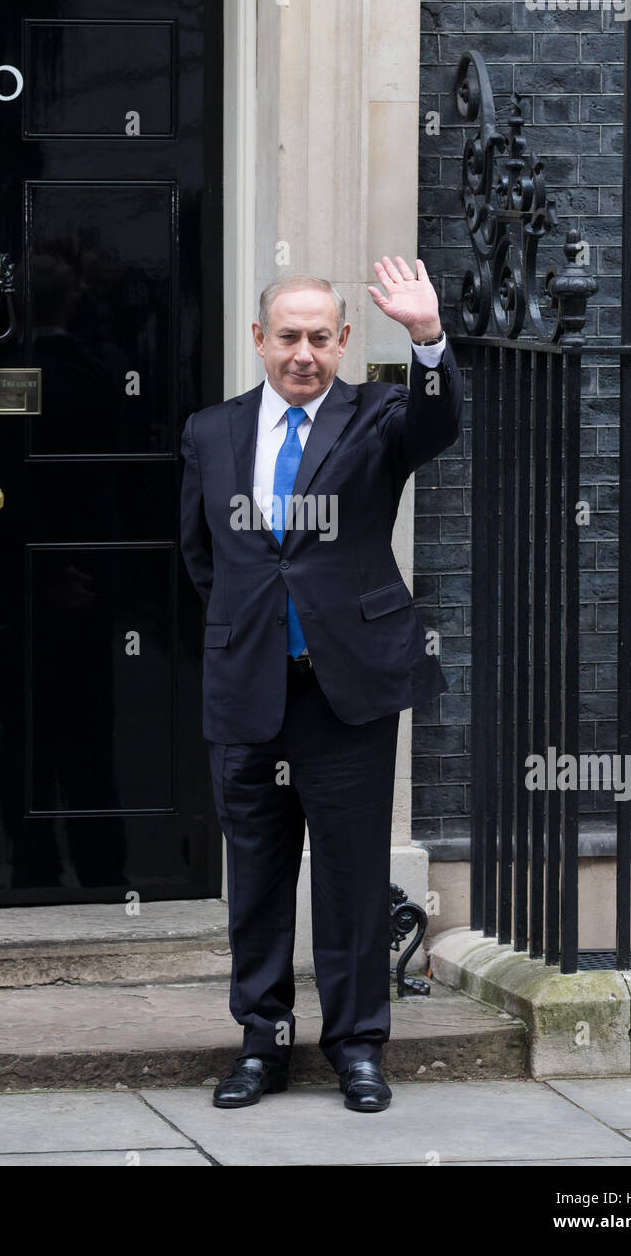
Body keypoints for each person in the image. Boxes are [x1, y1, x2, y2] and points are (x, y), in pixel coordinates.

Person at [179, 255, 463, 1111]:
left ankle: (356, 1047)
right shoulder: (211, 432)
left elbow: (438, 425)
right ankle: (261, 1045)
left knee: (347, 876)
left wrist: (426, 337)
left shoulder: (378, 415)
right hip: (251, 690)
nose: (303, 353)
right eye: (287, 337)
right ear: (258, 340)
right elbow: (203, 556)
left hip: (349, 694)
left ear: (343, 342)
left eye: (319, 338)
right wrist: (259, 627)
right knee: (258, 879)